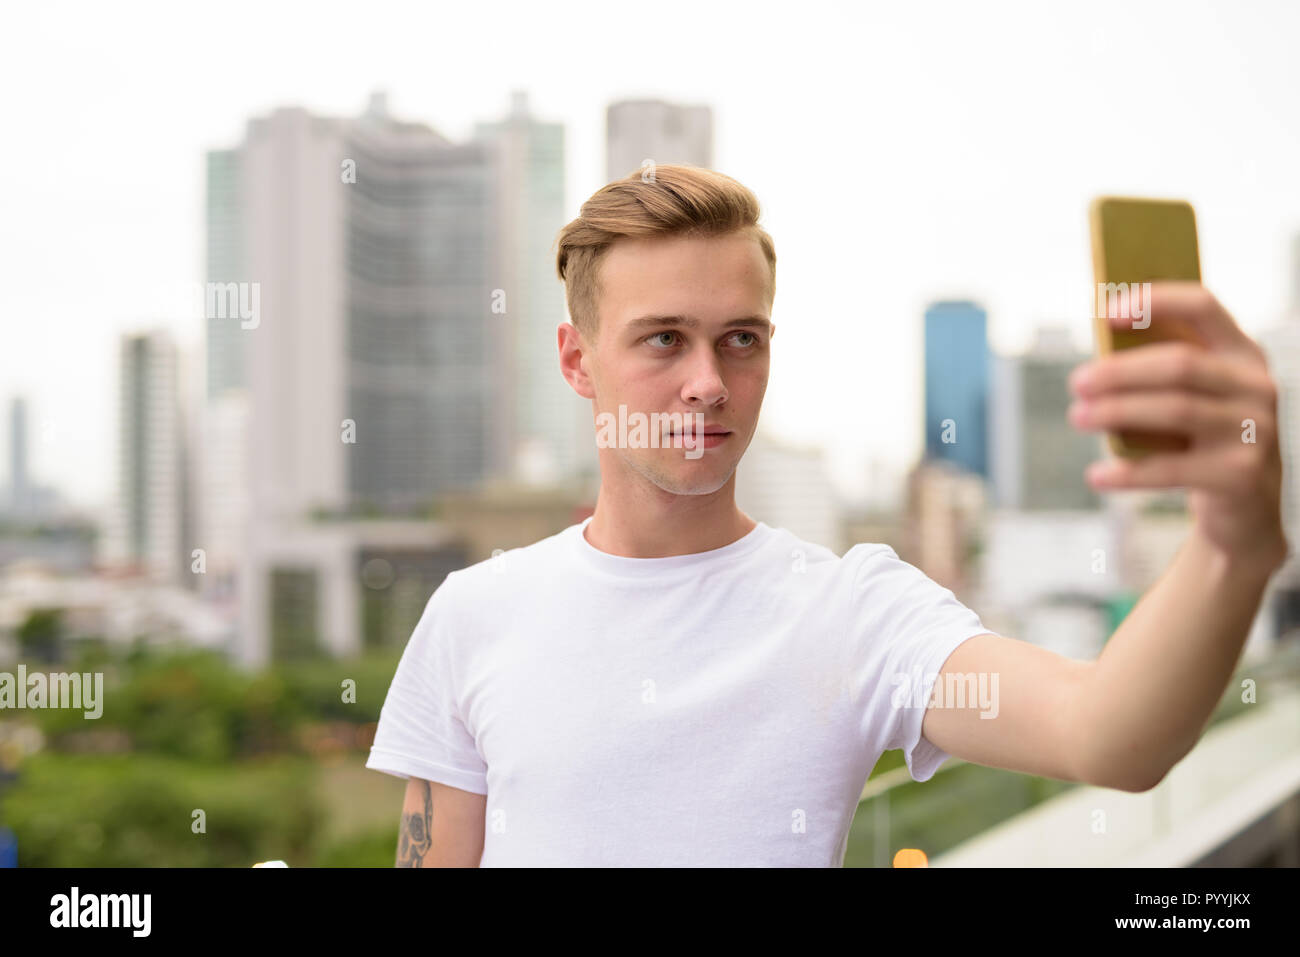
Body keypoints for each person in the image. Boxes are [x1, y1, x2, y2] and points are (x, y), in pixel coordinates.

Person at [366, 165, 1288, 867]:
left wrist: (1232, 546)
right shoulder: (471, 614)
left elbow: (1108, 732)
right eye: (663, 339)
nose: (708, 383)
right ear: (576, 361)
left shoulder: (855, 609)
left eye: (741, 340)